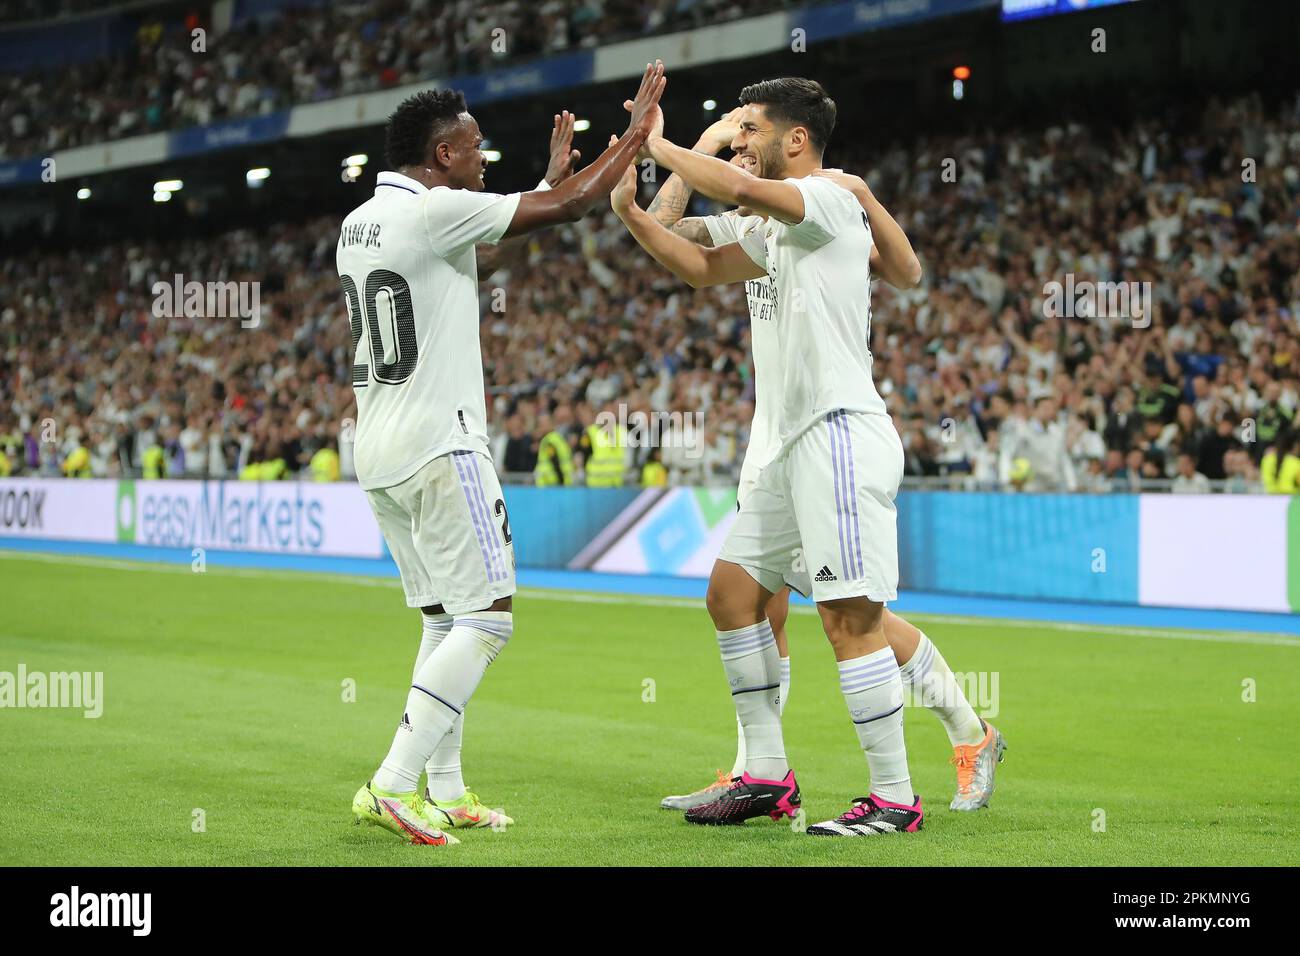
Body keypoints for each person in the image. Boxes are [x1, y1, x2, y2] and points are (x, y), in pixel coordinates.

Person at [338, 63, 665, 846]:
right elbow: (580, 204)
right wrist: (634, 137)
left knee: (445, 618)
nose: (486, 159)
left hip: (379, 447)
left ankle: (446, 791)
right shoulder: (439, 209)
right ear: (444, 155)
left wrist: (547, 186)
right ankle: (392, 783)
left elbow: (470, 264)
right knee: (487, 619)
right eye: (476, 148)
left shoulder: (362, 220)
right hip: (440, 442)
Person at [642, 112, 1004, 817]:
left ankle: (955, 742)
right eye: (735, 136)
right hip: (776, 443)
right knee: (749, 600)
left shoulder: (825, 200)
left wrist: (667, 146)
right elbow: (679, 246)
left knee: (851, 615)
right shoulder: (764, 225)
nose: (739, 143)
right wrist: (670, 171)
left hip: (830, 433)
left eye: (750, 130)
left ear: (797, 138)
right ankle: (763, 775)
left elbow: (907, 272)